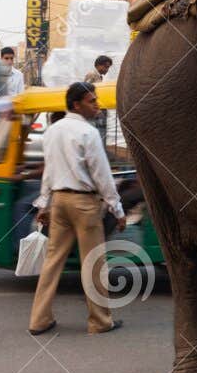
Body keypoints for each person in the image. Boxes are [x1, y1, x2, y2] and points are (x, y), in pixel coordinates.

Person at [28, 82, 126, 337]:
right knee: (93, 263)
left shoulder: (53, 131)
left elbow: (49, 171)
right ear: (76, 105)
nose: (97, 105)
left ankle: (39, 320)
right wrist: (117, 209)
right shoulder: (88, 133)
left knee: (52, 261)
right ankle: (100, 321)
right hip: (84, 204)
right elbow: (102, 175)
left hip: (59, 202)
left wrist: (43, 202)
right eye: (92, 101)